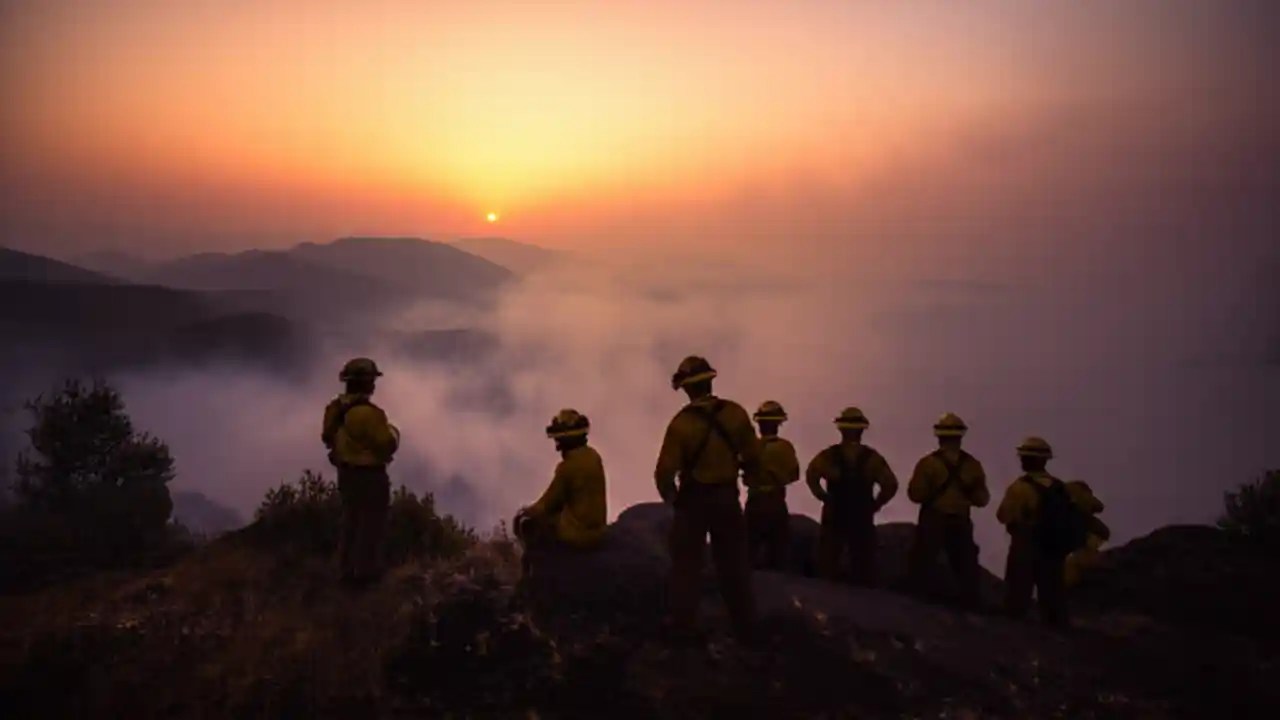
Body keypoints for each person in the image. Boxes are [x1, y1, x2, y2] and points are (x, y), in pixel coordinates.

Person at [654, 355, 762, 641]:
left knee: (686, 567)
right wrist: (747, 479)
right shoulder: (735, 414)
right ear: (710, 381)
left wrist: (674, 500)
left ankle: (683, 630)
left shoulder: (681, 425)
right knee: (735, 565)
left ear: (687, 388)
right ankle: (747, 629)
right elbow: (753, 457)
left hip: (693, 501)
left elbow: (664, 474)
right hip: (727, 497)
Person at [996, 436, 1090, 627]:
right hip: (1054, 548)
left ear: (1026, 460)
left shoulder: (1019, 488)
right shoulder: (1061, 488)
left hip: (1026, 545)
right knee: (1053, 593)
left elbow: (1003, 515)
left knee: (1018, 591)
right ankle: (1059, 631)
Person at [322, 357, 400, 587]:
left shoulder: (336, 409)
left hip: (346, 474)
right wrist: (393, 433)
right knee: (372, 525)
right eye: (372, 381)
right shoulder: (370, 414)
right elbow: (386, 443)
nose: (374, 385)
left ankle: (346, 572)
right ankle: (366, 576)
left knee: (351, 521)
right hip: (370, 476)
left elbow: (327, 437)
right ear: (365, 383)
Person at [905, 412, 990, 609]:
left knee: (924, 561)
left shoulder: (928, 464)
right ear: (960, 437)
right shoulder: (972, 466)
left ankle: (919, 603)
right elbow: (982, 500)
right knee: (965, 566)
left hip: (934, 518)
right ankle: (970, 605)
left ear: (939, 436)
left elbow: (915, 495)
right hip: (961, 520)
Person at [806, 407, 898, 586]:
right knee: (863, 564)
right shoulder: (873, 458)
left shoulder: (828, 456)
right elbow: (890, 485)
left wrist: (824, 497)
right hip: (862, 513)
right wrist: (875, 504)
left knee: (828, 562)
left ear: (841, 429)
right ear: (862, 430)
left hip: (835, 513)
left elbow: (811, 476)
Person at [514, 409, 608, 578]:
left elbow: (548, 503)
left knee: (531, 526)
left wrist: (525, 513)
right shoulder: (594, 456)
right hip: (599, 530)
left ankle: (535, 577)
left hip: (578, 535)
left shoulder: (567, 468)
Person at [745, 401, 801, 570]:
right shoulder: (785, 447)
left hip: (755, 500)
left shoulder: (750, 446)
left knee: (749, 548)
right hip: (776, 500)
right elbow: (794, 474)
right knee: (778, 550)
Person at [1063, 480, 1110, 589]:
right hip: (1089, 531)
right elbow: (1099, 507)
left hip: (1090, 531)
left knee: (1084, 553)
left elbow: (1098, 507)